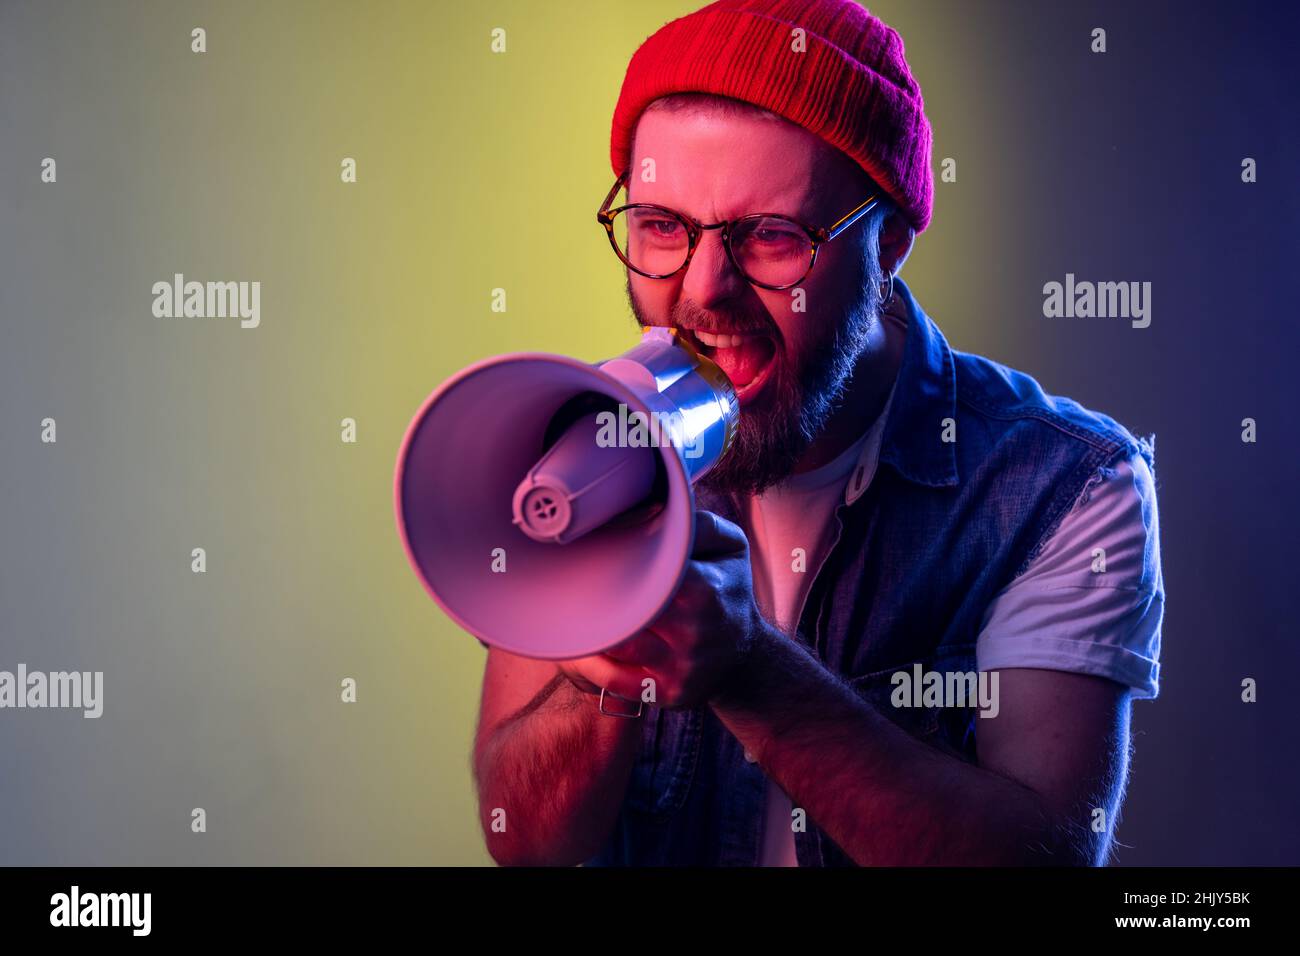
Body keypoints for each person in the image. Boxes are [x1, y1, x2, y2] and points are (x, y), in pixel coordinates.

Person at [473, 0, 1163, 866]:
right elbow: (522, 841)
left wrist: (751, 670)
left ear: (889, 247)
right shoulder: (578, 441)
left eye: (771, 236)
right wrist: (598, 675)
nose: (704, 291)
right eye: (662, 228)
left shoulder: (1066, 487)